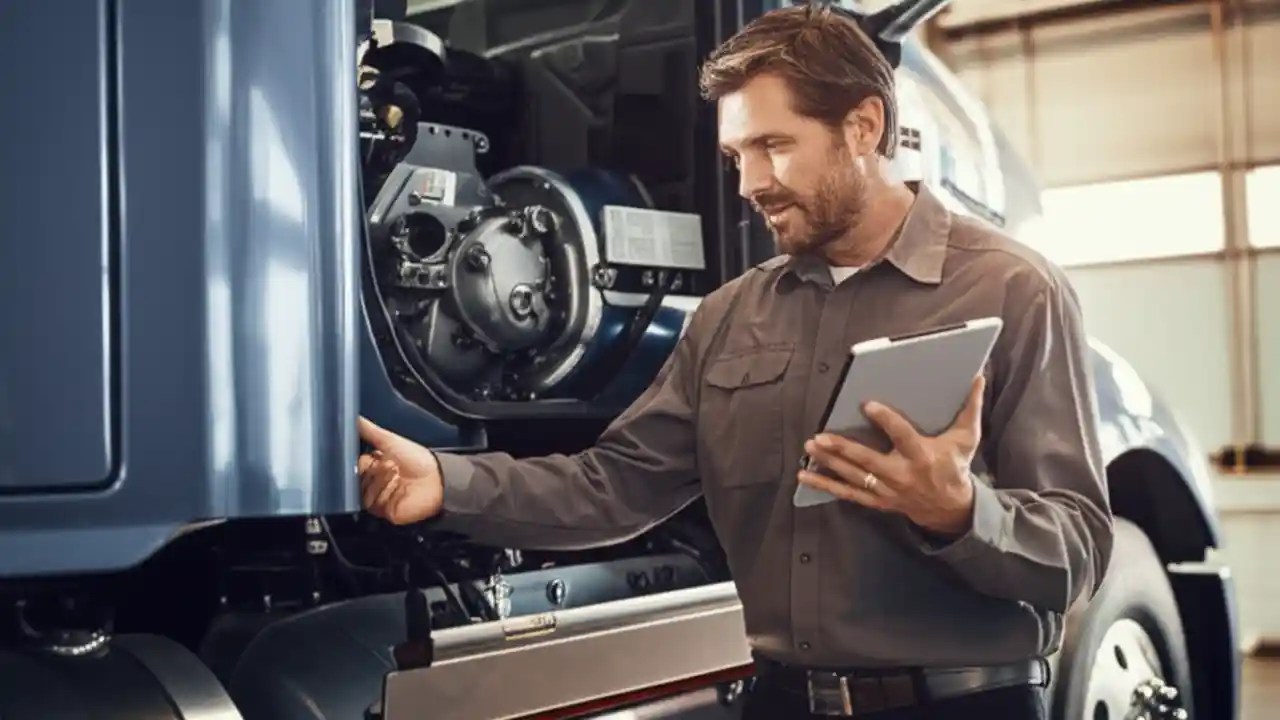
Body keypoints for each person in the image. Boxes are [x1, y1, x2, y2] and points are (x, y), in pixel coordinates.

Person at [356, 5, 1113, 718]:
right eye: (735, 155)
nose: (750, 184)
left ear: (863, 126)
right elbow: (610, 489)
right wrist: (445, 482)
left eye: (774, 147)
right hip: (777, 700)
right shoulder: (729, 318)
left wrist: (958, 513)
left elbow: (1077, 551)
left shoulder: (1012, 289)